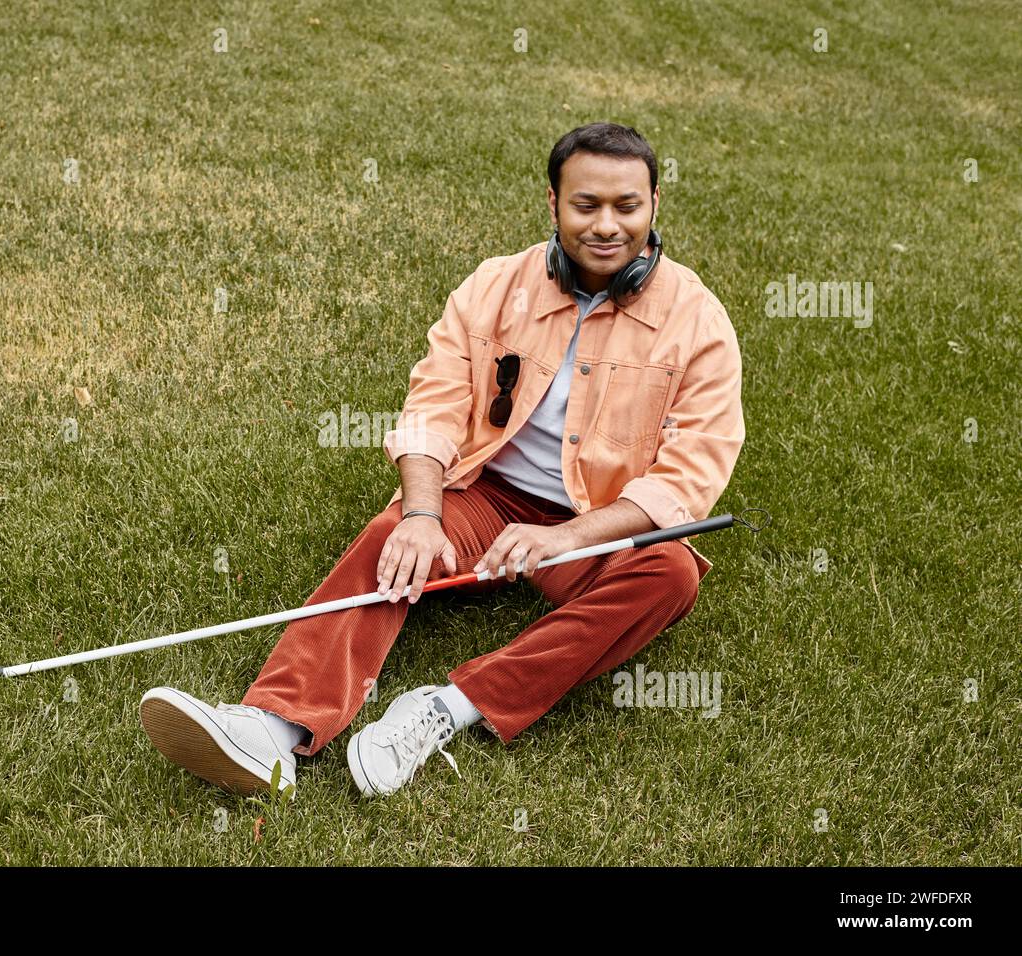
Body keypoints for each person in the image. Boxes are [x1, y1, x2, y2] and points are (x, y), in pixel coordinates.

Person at [140, 122, 745, 799]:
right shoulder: (494, 287)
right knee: (389, 536)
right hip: (488, 497)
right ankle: (273, 727)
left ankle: (445, 708)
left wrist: (563, 538)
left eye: (627, 207)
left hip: (595, 521)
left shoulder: (700, 323)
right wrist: (424, 513)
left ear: (654, 204)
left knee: (669, 574)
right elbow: (432, 406)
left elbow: (687, 479)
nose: (607, 226)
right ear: (553, 205)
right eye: (586, 205)